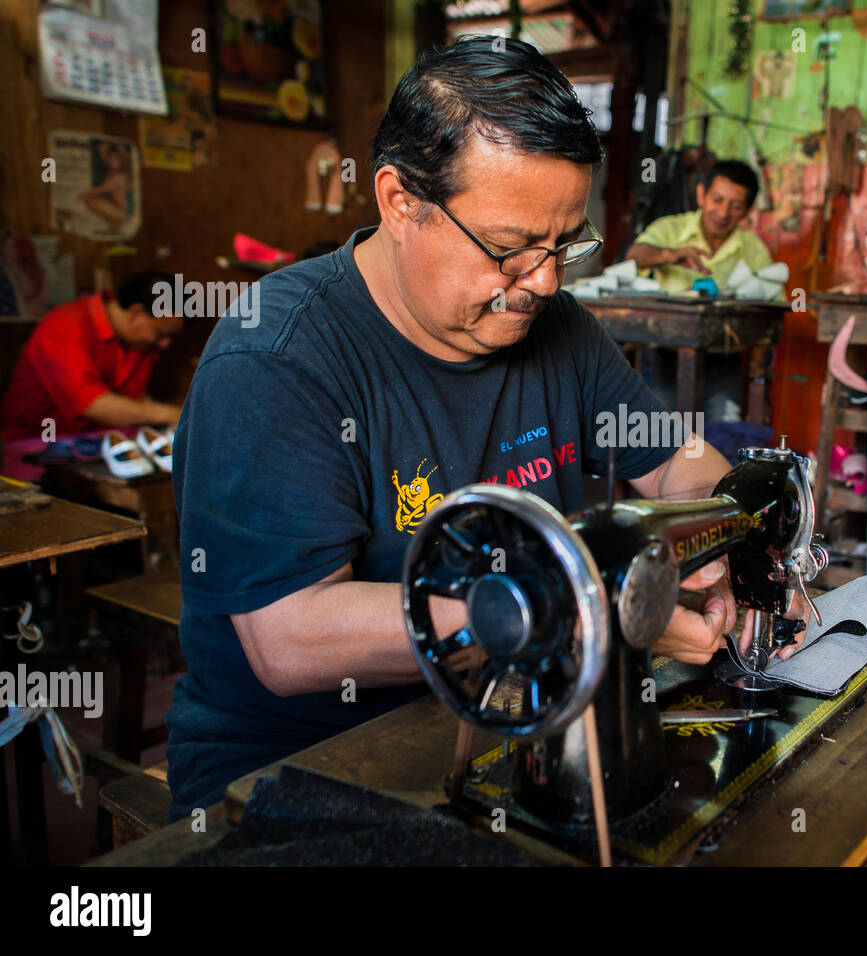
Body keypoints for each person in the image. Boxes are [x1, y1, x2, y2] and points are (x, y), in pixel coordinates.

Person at [165, 37, 809, 820]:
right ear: (400, 202)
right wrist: (577, 608)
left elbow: (679, 462)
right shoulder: (277, 356)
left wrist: (723, 544)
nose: (541, 281)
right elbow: (290, 641)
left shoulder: (561, 329)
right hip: (302, 762)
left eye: (564, 244)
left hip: (507, 715)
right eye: (508, 249)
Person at [1, 270, 183, 443]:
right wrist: (172, 414)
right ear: (136, 313)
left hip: (95, 438)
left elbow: (139, 401)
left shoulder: (140, 342)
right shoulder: (64, 326)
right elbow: (94, 406)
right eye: (160, 334)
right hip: (34, 441)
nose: (165, 345)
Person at [626, 159, 772, 293]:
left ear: (747, 211)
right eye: (717, 200)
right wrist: (670, 254)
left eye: (736, 206)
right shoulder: (670, 228)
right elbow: (634, 256)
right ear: (701, 194)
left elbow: (773, 300)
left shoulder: (754, 250)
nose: (723, 213)